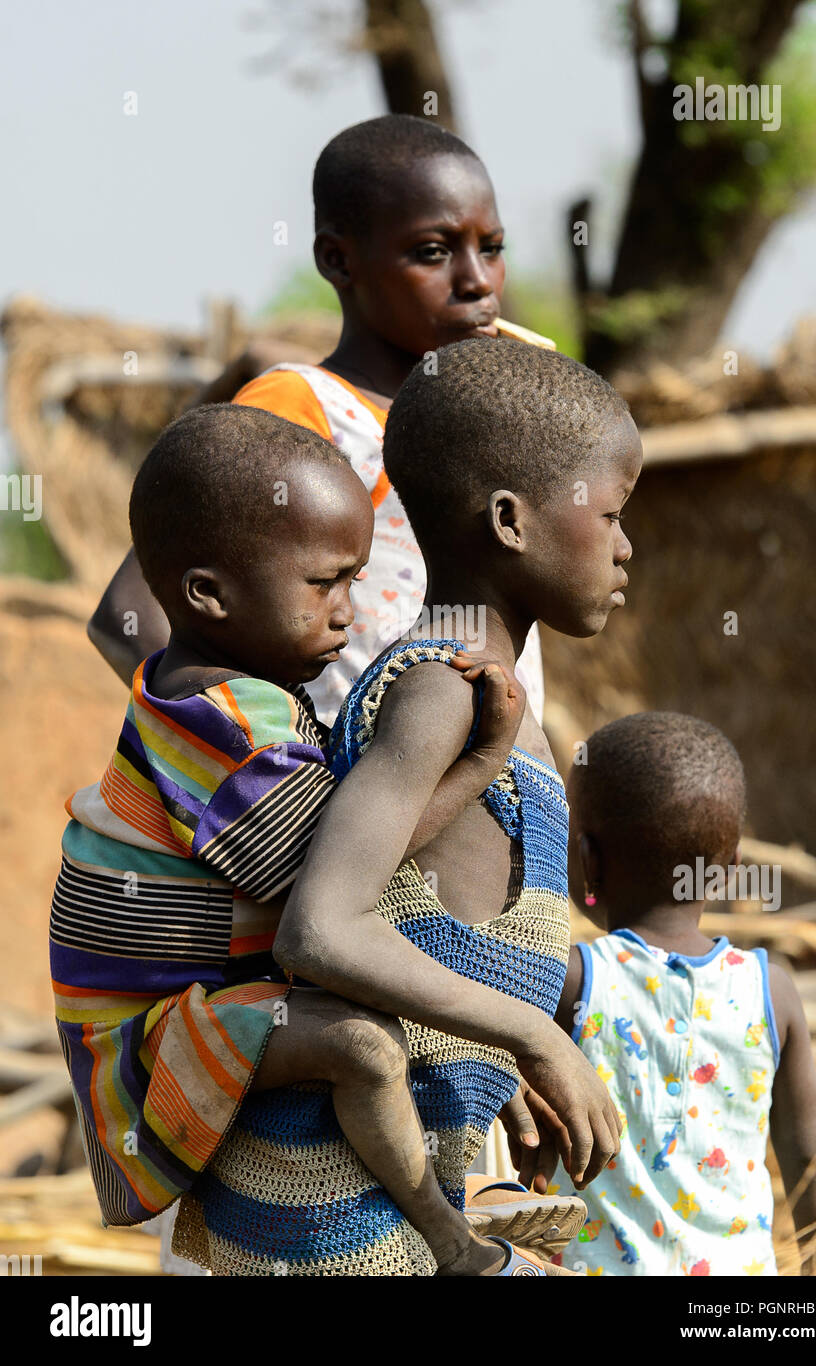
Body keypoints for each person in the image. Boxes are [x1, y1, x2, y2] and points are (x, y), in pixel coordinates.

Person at [49, 402, 574, 1277]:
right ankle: (448, 1236)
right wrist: (480, 764)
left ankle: (461, 1197)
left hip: (204, 1006)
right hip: (149, 1045)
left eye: (356, 579)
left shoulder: (225, 697)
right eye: (324, 583)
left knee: (389, 1021)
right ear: (208, 595)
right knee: (360, 1044)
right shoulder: (220, 724)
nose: (348, 610)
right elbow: (332, 882)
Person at [170, 335, 640, 1276]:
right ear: (511, 521)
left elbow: (417, 928)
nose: (628, 547)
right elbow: (322, 932)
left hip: (389, 1200)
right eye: (614, 514)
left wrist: (487, 1067)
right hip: (328, 1220)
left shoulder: (493, 701)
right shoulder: (440, 690)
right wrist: (535, 1037)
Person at [85, 114, 545, 727]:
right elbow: (125, 614)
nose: (477, 280)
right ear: (337, 259)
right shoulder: (302, 409)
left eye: (492, 248)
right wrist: (270, 767)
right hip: (348, 804)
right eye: (433, 252)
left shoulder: (486, 421)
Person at [551, 711, 816, 1276]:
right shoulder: (771, 991)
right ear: (730, 869)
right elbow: (810, 1163)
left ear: (587, 861)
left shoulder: (575, 981)